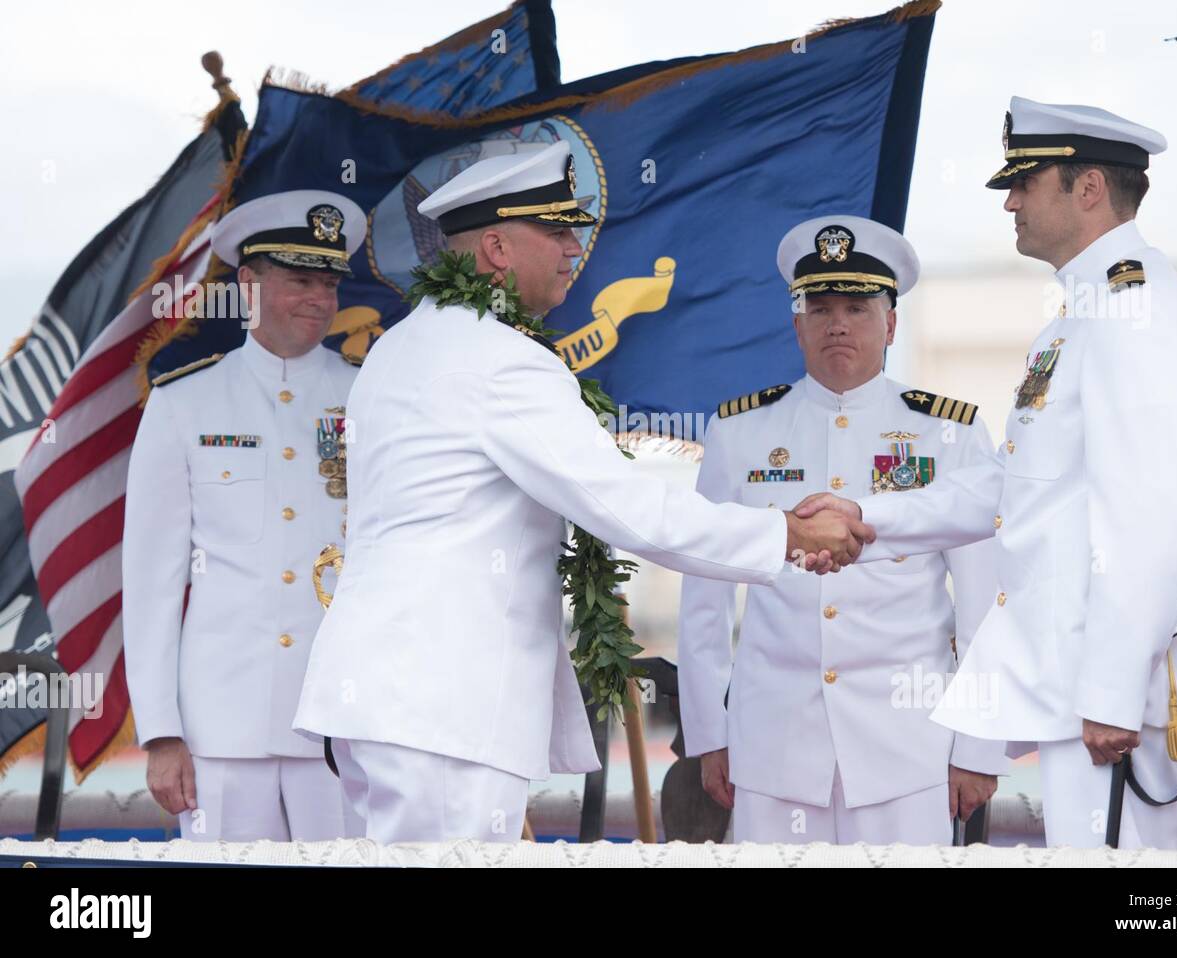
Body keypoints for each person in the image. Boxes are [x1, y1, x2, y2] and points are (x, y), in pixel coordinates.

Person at [291, 141, 870, 844]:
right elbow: (631, 509)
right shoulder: (501, 361)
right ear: (499, 247)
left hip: (394, 700)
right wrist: (787, 533)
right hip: (443, 709)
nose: (576, 247)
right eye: (558, 229)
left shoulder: (405, 345)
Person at [797, 97, 1177, 849]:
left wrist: (1114, 691)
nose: (1012, 201)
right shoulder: (1079, 317)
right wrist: (869, 515)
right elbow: (1013, 484)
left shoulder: (1133, 311)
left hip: (1102, 690)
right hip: (1074, 683)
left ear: (1088, 188)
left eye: (1026, 182)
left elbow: (1151, 512)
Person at [678, 215, 1006, 844]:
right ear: (795, 322)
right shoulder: (739, 431)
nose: (837, 324)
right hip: (772, 746)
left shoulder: (952, 433)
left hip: (907, 750)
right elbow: (704, 601)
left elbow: (985, 604)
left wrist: (980, 747)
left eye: (858, 307)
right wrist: (710, 736)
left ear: (891, 323)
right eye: (820, 307)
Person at [124, 190, 367, 841]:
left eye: (329, 283)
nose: (320, 299)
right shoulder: (183, 404)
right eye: (300, 281)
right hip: (220, 731)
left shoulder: (371, 398)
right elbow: (150, 585)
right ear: (249, 284)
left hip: (342, 727)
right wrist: (162, 732)